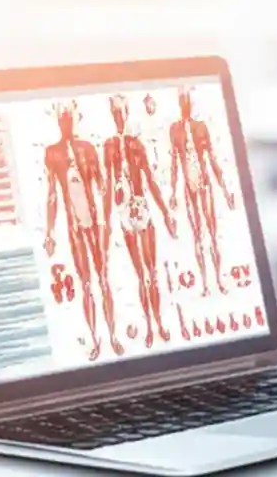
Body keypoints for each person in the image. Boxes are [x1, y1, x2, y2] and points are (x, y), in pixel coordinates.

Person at [43, 101, 121, 360]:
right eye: (61, 115)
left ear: (75, 117)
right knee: (86, 283)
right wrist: (49, 232)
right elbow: (53, 194)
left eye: (68, 115)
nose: (65, 120)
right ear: (57, 119)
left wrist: (108, 221)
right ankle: (97, 339)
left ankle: (112, 335)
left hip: (94, 220)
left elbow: (102, 186)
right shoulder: (53, 153)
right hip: (74, 224)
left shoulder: (87, 148)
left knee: (103, 279)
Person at [104, 94, 178, 348]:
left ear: (127, 112)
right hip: (124, 211)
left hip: (142, 206)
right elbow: (107, 186)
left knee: (153, 273)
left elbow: (150, 180)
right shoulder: (110, 147)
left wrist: (166, 212)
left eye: (121, 111)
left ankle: (159, 324)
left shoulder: (136, 145)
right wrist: (105, 223)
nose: (119, 117)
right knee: (141, 276)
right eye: (115, 113)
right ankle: (149, 326)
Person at [170, 88, 237, 297]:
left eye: (187, 98)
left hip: (205, 182)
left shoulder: (200, 127)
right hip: (189, 186)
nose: (185, 103)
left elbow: (212, 159)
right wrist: (172, 192)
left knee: (212, 235)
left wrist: (225, 190)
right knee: (197, 235)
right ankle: (206, 284)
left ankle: (218, 280)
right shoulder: (175, 130)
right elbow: (174, 163)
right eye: (182, 99)